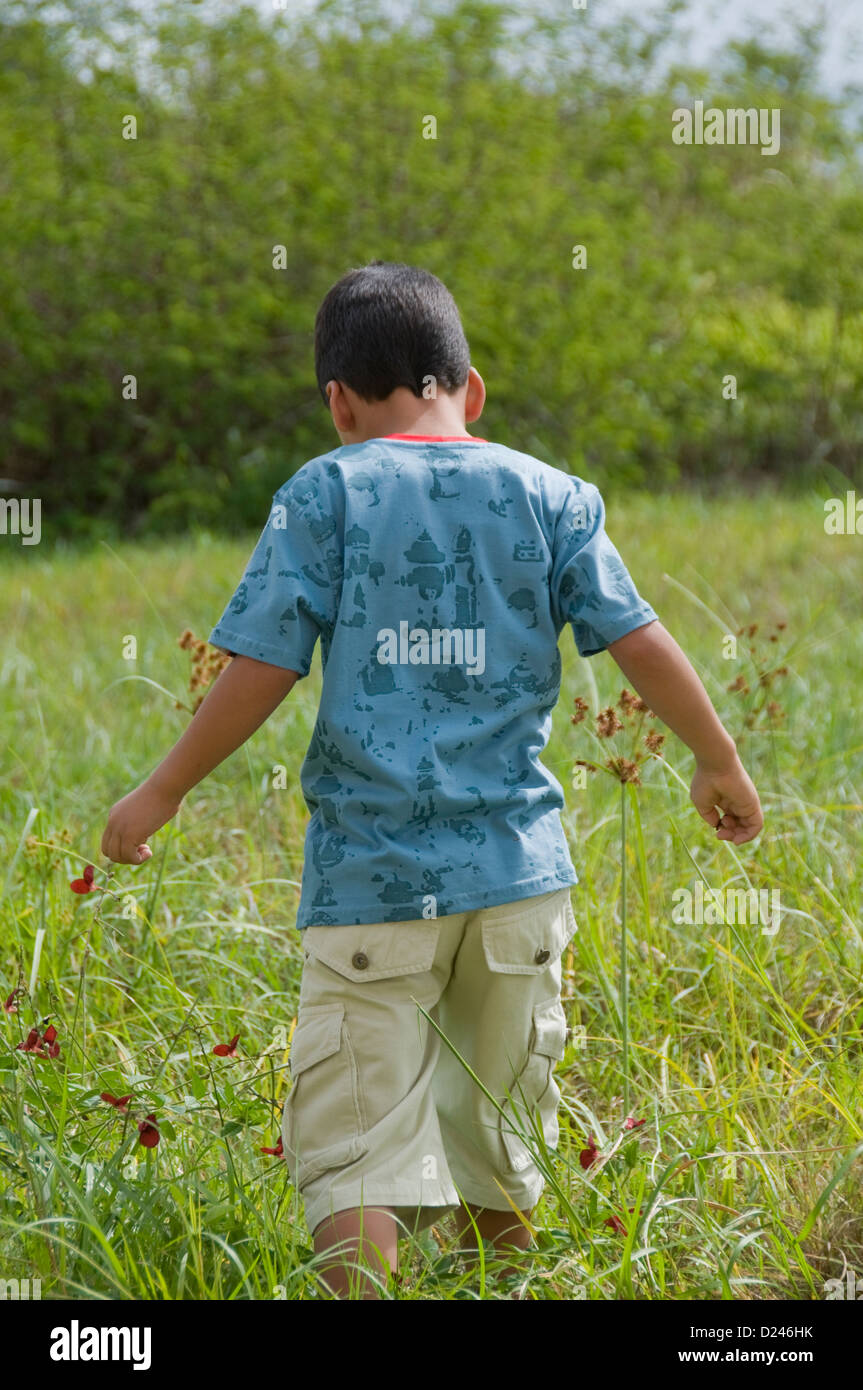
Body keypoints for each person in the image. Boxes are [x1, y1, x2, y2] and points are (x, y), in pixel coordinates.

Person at [101, 261, 763, 1299]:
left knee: (357, 1145)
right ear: (473, 387)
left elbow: (263, 664)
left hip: (373, 883)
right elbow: (639, 640)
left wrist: (164, 789)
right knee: (499, 1129)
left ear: (338, 404)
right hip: (517, 884)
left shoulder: (325, 492)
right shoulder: (552, 496)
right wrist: (715, 759)